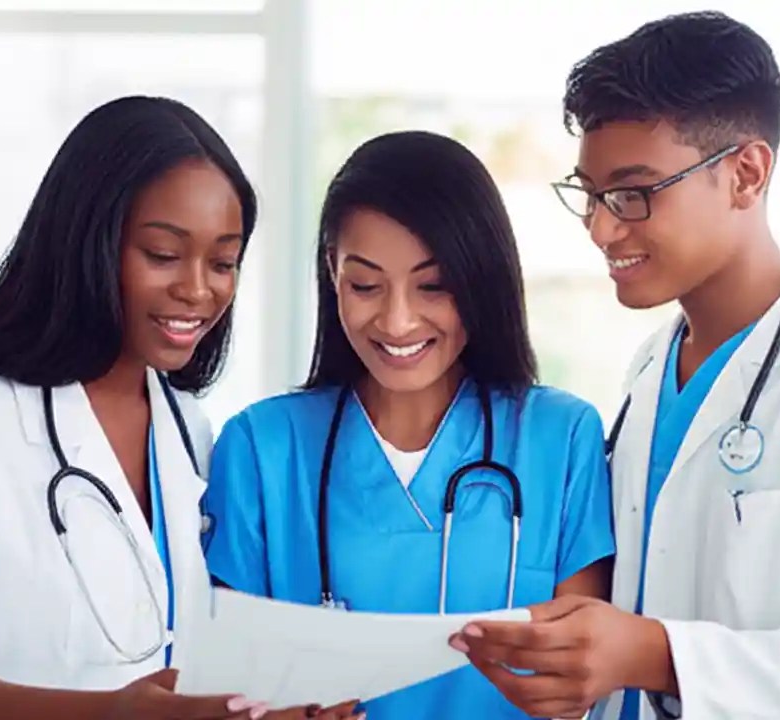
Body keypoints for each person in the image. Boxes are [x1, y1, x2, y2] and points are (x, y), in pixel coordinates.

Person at [451, 12, 780, 720]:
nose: (601, 227)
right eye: (591, 195)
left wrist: (653, 655)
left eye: (634, 192)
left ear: (746, 174)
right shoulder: (651, 367)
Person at [0, 96, 355, 720]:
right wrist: (114, 714)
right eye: (162, 254)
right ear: (87, 240)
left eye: (223, 262)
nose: (198, 289)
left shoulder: (188, 429)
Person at [201, 130, 616, 719]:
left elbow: (577, 685)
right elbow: (226, 690)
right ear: (332, 273)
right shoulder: (262, 447)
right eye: (366, 285)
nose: (397, 321)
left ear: (481, 280)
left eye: (434, 286)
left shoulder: (561, 437)